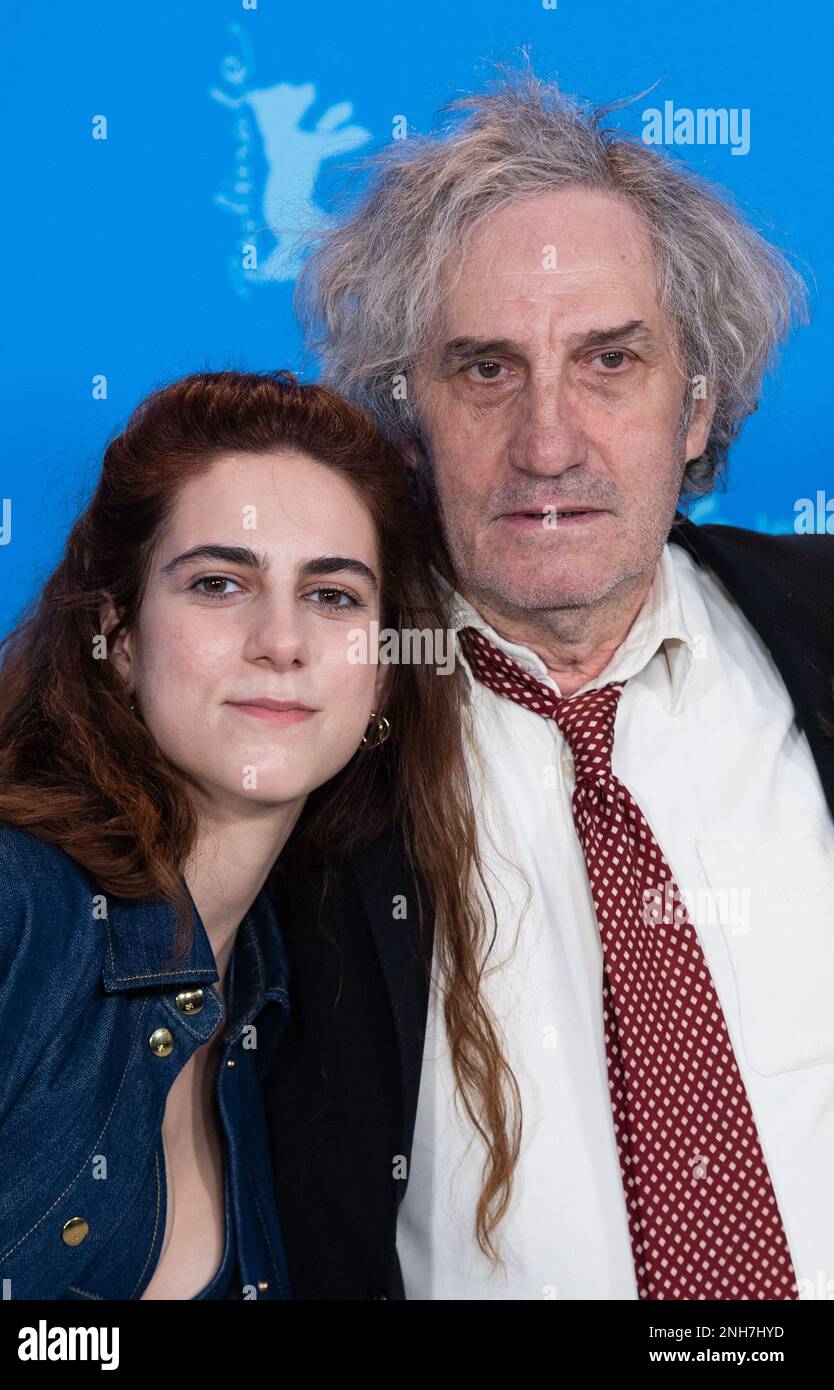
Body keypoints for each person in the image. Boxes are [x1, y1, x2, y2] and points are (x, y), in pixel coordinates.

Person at [262, 69, 834, 1300]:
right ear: (406, 415)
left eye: (608, 360)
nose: (547, 442)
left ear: (696, 405)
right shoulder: (295, 726)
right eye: (483, 370)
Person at [0, 369, 496, 1300]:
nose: (281, 640)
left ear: (382, 678)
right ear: (119, 635)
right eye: (219, 583)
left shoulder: (268, 995)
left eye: (334, 597)